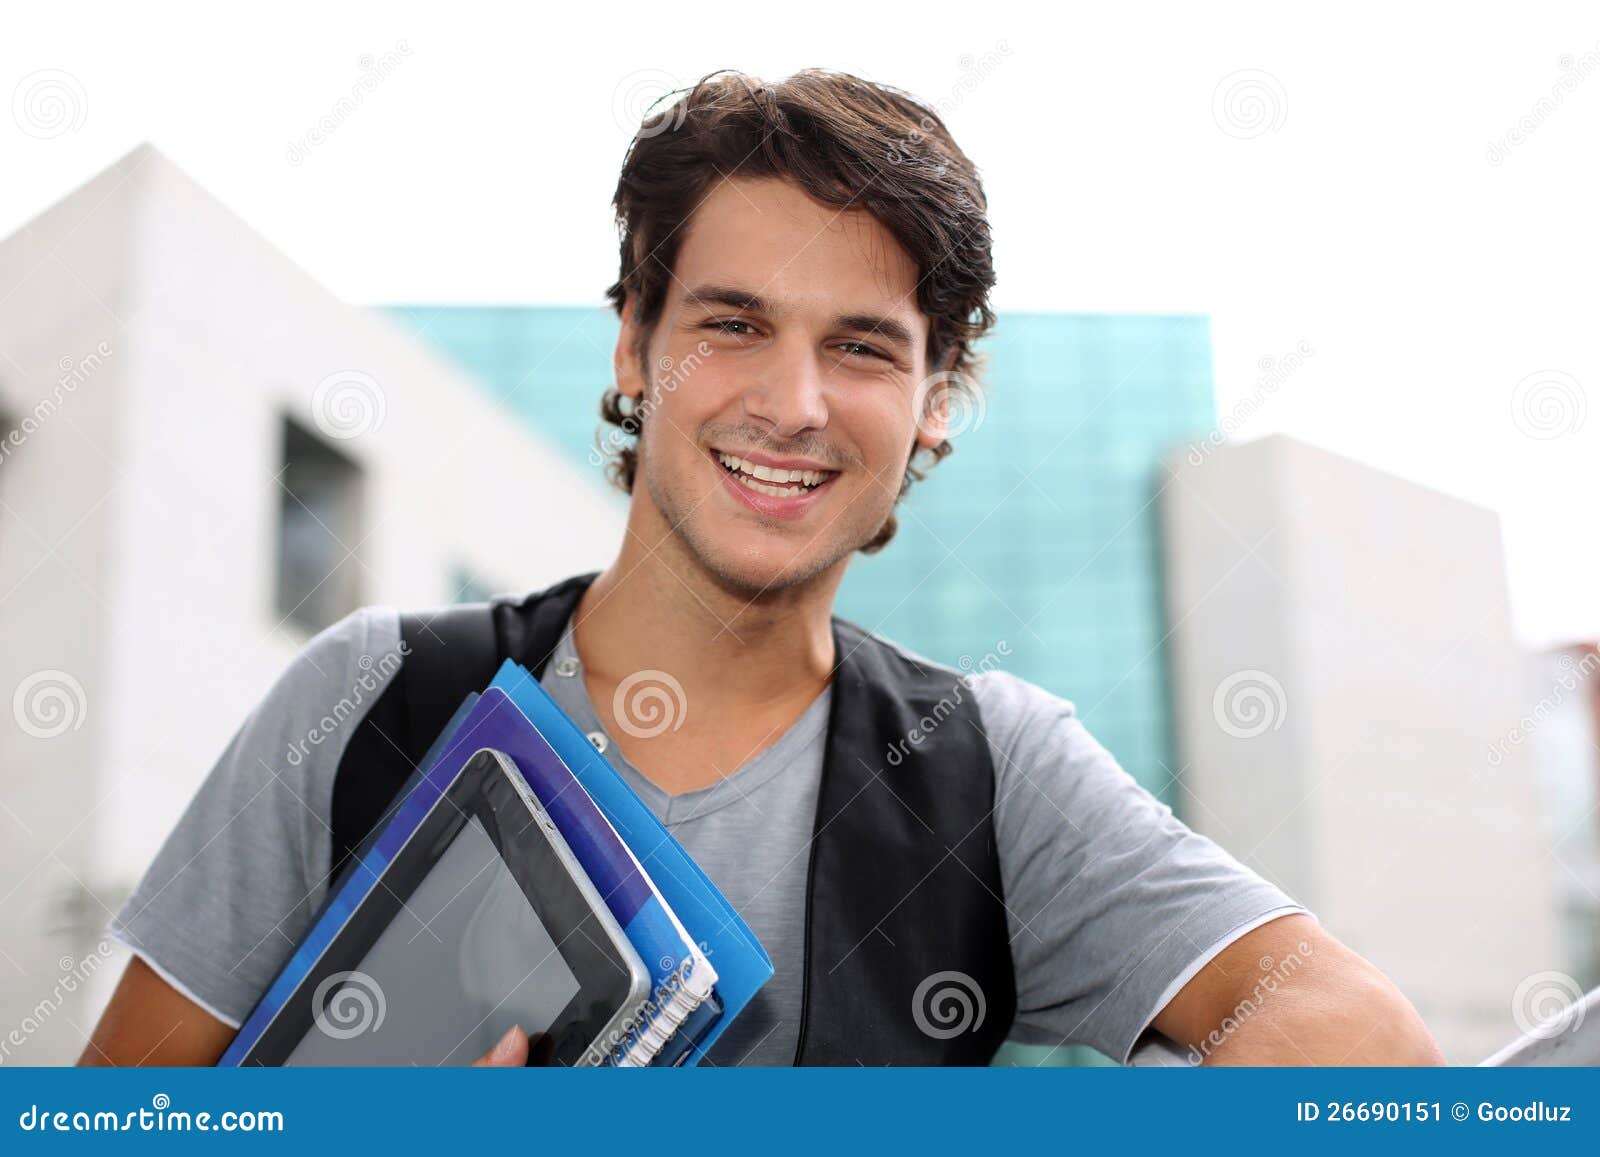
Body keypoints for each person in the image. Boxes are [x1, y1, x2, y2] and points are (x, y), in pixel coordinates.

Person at [82, 68, 1442, 1068]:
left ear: (934, 400)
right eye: (733, 323)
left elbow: (1359, 1037)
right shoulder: (375, 700)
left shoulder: (986, 768)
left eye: (861, 346)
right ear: (635, 346)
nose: (794, 403)